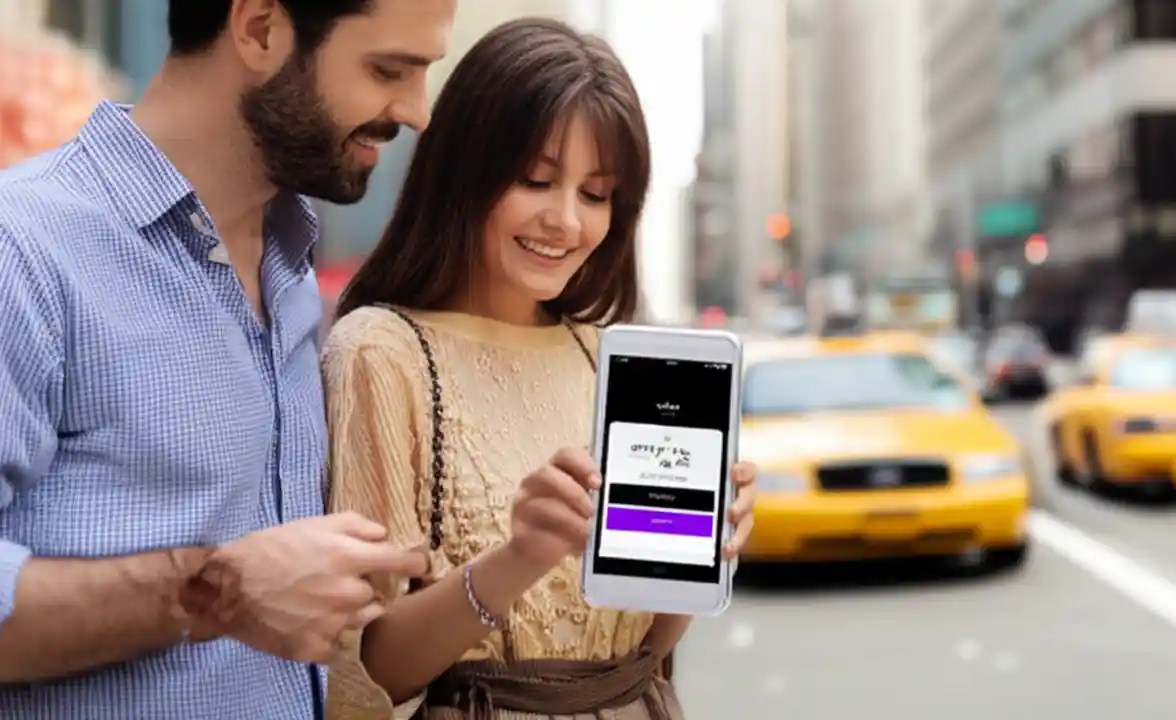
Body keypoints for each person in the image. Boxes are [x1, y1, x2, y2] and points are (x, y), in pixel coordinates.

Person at [0, 1, 457, 717]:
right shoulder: (22, 249)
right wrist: (217, 595)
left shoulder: (293, 272)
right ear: (259, 29)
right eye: (388, 69)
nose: (417, 111)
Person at [322, 17, 758, 720]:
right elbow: (366, 674)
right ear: (466, 169)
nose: (565, 220)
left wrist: (701, 556)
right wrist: (521, 557)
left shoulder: (606, 355)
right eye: (536, 180)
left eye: (595, 194)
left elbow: (647, 651)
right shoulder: (382, 353)